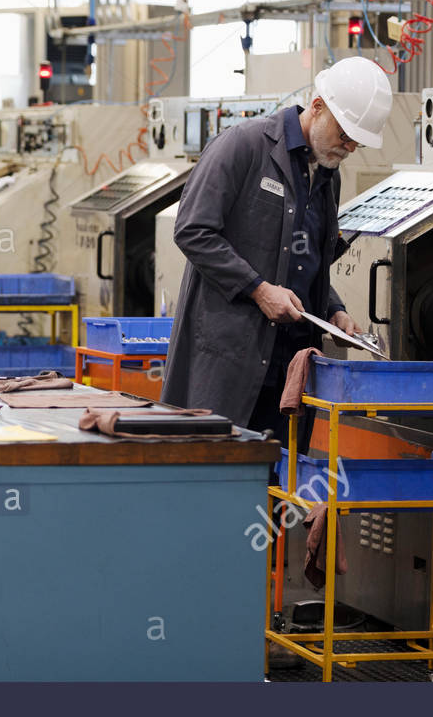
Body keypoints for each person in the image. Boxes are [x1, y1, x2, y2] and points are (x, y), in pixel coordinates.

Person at [160, 57, 393, 445]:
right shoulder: (243, 146)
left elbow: (306, 260)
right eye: (345, 133)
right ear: (317, 106)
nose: (350, 146)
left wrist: (333, 309)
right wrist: (257, 289)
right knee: (219, 472)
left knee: (282, 484)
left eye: (358, 141)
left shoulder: (328, 177)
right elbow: (192, 230)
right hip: (231, 359)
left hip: (291, 369)